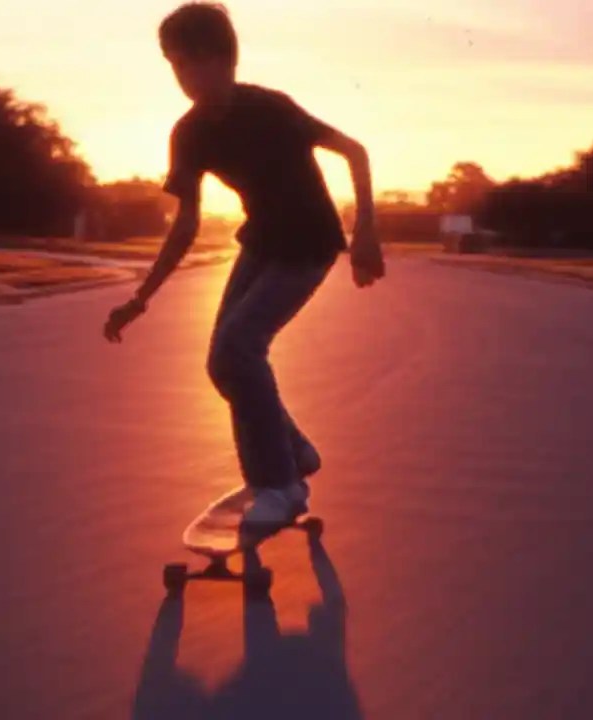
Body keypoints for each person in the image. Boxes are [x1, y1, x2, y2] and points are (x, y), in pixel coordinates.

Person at [104, 2, 385, 528]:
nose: (184, 77)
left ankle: (279, 485)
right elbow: (186, 226)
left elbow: (355, 150)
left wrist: (366, 230)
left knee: (239, 347)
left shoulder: (271, 109)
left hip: (309, 244)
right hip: (260, 244)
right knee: (221, 363)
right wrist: (140, 298)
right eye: (174, 64)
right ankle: (294, 454)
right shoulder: (188, 134)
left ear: (225, 60)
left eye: (192, 62)